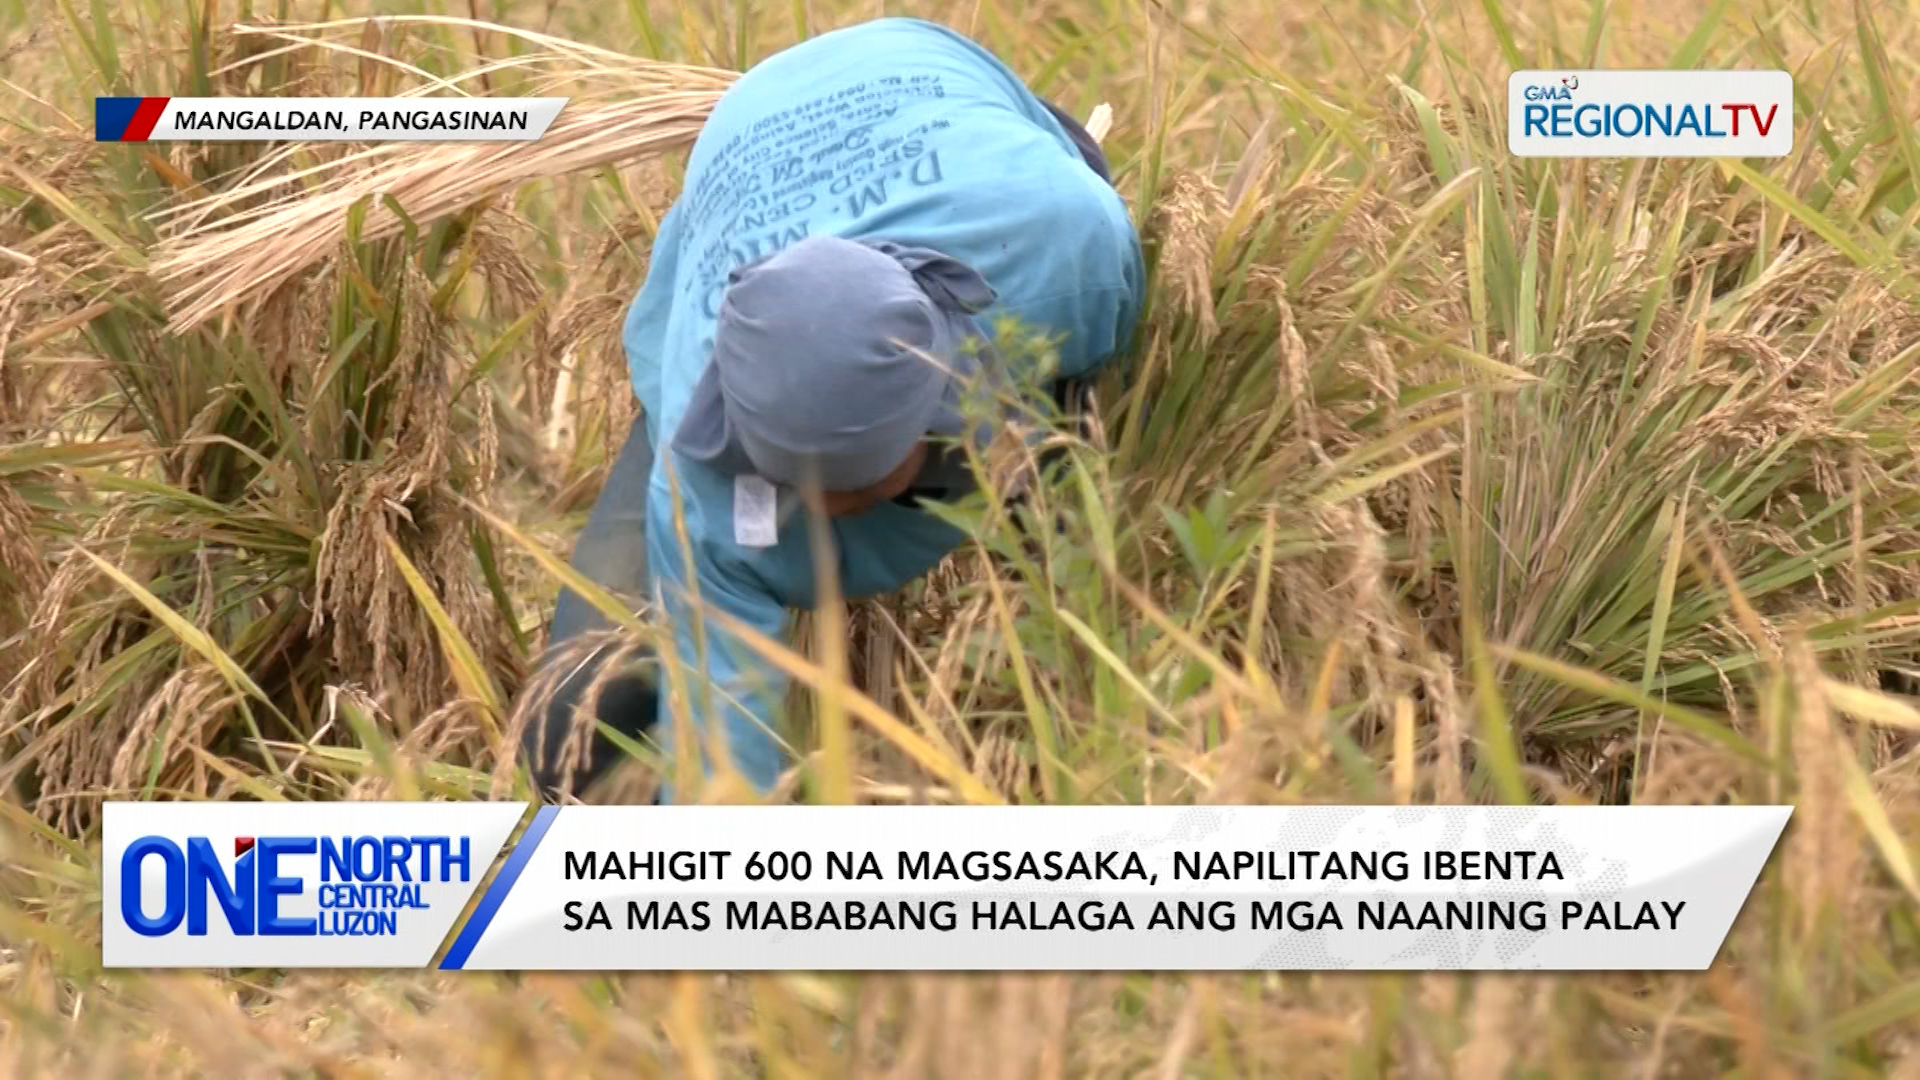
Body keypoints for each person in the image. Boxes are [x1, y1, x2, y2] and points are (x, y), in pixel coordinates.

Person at [516, 16, 1147, 799]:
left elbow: (1113, 385)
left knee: (1071, 543)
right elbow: (719, 767)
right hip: (758, 137)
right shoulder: (698, 454)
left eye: (853, 486)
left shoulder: (1062, 257)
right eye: (793, 486)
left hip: (929, 92)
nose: (823, 509)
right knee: (574, 720)